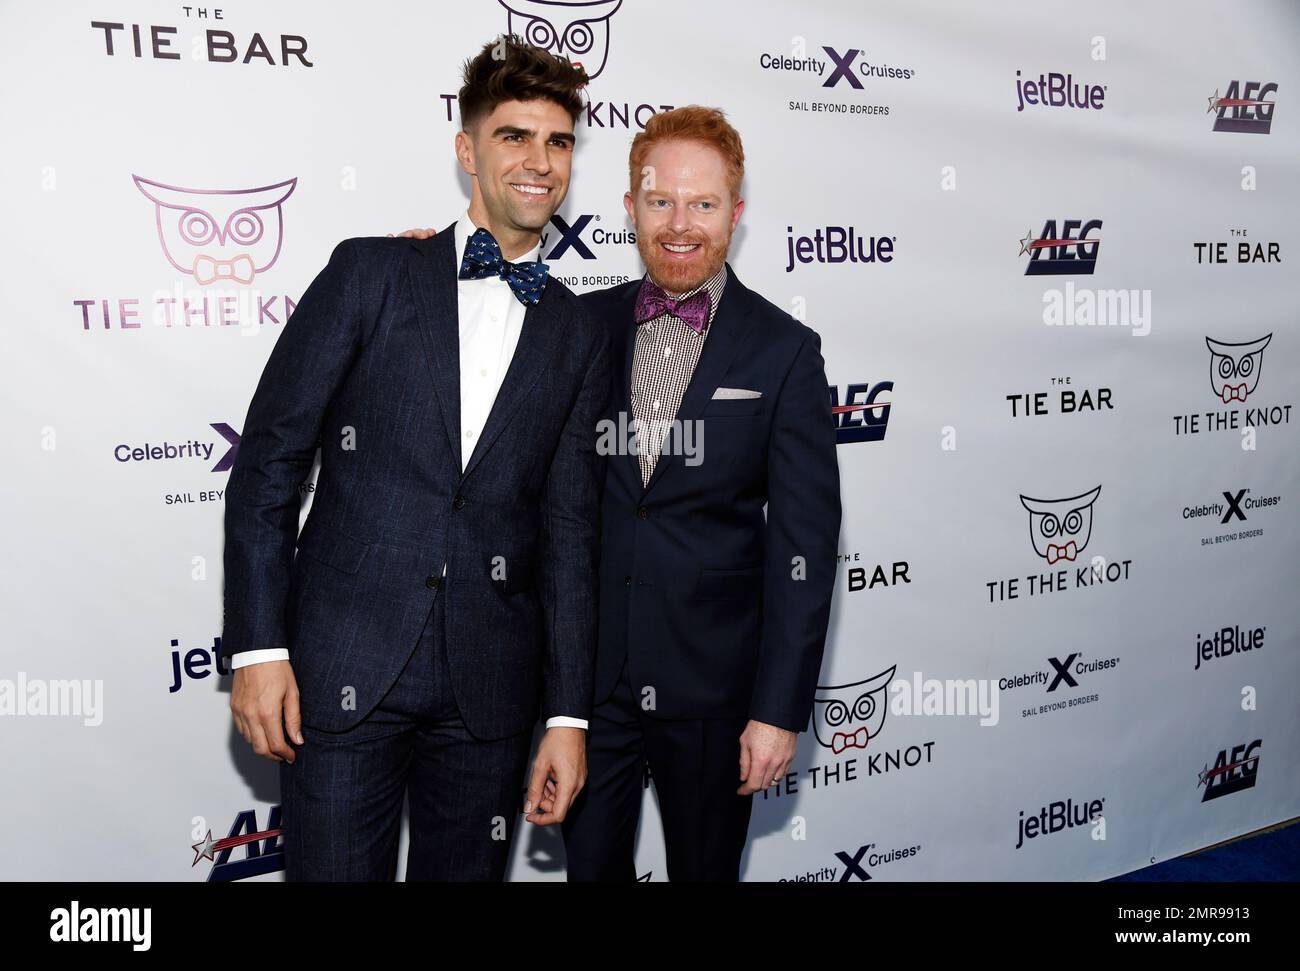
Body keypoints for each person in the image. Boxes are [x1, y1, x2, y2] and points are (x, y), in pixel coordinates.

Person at [396, 106, 841, 882]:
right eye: (660, 200)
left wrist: (778, 710)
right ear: (629, 208)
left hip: (715, 692)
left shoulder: (784, 351)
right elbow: (480, 355)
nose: (680, 224)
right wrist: (422, 272)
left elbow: (804, 545)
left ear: (735, 215)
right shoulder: (576, 325)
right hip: (585, 688)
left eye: (703, 204)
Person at [221, 35, 610, 881]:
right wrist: (256, 649)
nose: (540, 162)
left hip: (490, 694)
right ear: (467, 150)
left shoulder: (579, 332)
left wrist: (569, 715)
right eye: (514, 136)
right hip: (341, 670)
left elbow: (571, 531)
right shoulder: (371, 273)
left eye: (559, 141)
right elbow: (268, 464)